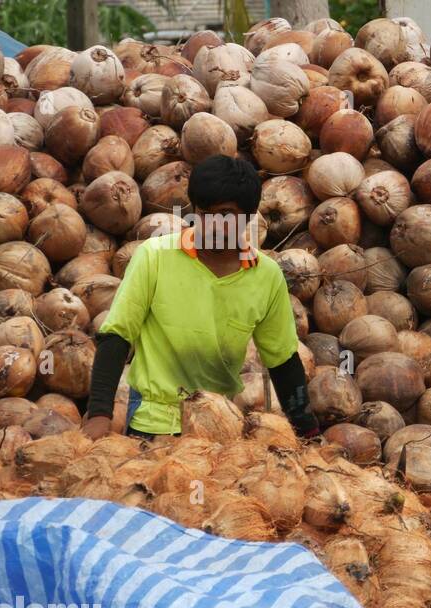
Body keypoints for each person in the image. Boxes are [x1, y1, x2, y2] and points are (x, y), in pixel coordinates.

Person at [82, 155, 318, 440]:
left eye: (226, 214)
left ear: (250, 214)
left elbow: (283, 361)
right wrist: (98, 415)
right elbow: (117, 336)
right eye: (204, 213)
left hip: (219, 423)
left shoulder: (266, 276)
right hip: (152, 420)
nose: (212, 225)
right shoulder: (154, 256)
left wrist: (308, 432)